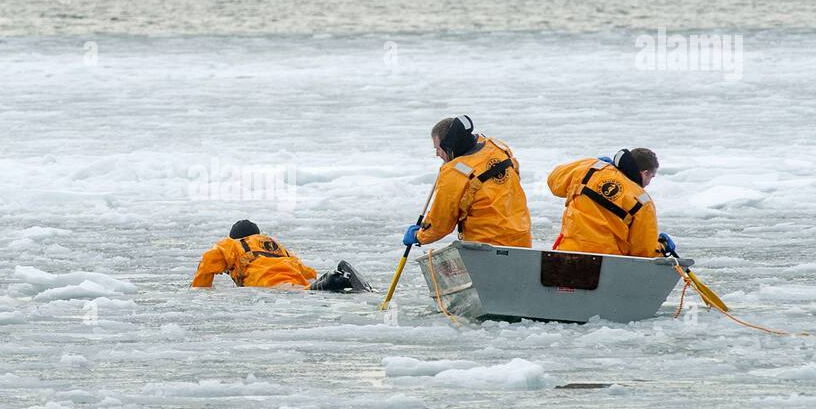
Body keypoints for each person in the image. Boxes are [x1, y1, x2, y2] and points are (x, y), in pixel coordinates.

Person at [402, 116, 532, 250]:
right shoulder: (497, 147)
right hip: (521, 240)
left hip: (486, 247)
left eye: (439, 148)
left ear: (450, 147)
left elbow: (441, 223)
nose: (437, 154)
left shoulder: (454, 174)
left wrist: (419, 235)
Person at [546, 148, 673, 257]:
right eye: (651, 177)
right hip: (608, 262)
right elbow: (643, 251)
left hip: (568, 252)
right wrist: (662, 247)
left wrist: (588, 166)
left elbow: (554, 181)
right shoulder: (642, 200)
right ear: (644, 173)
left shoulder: (592, 168)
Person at [191, 220, 371, 291]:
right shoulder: (276, 246)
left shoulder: (232, 245)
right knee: (302, 290)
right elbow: (306, 271)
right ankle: (336, 279)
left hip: (264, 281)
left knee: (296, 291)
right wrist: (309, 279)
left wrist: (199, 290)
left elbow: (208, 262)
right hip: (294, 278)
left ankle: (331, 281)